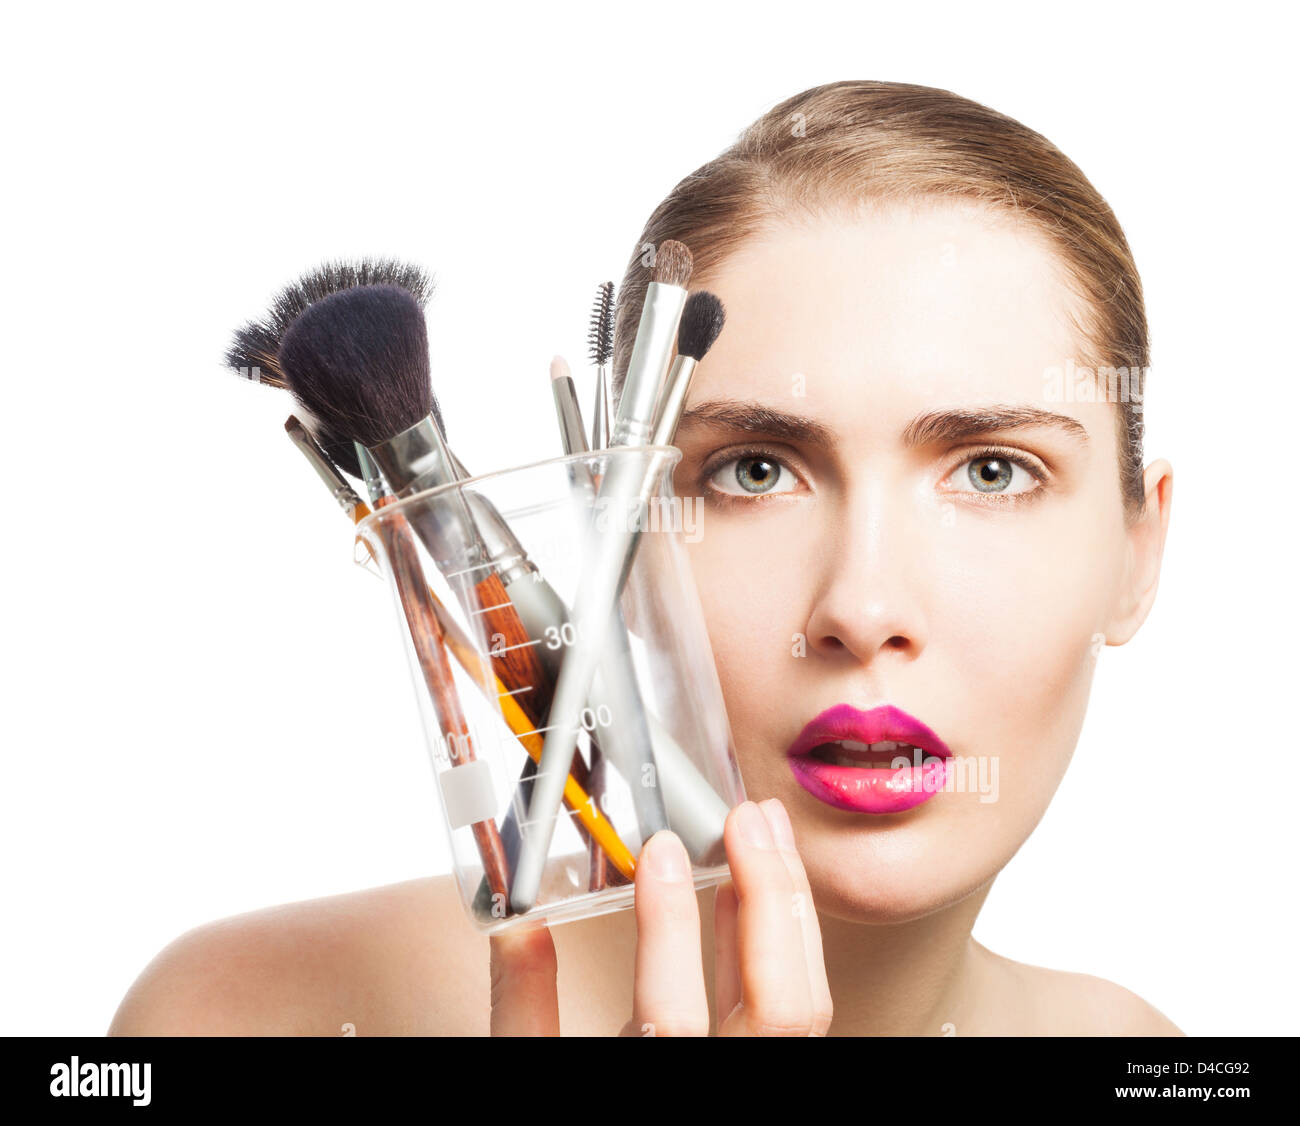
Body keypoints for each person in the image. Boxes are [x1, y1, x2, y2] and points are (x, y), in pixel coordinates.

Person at [109, 80, 1180, 1036]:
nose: (860, 606)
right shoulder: (240, 1013)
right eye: (754, 470)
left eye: (992, 472)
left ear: (1139, 553)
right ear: (617, 547)